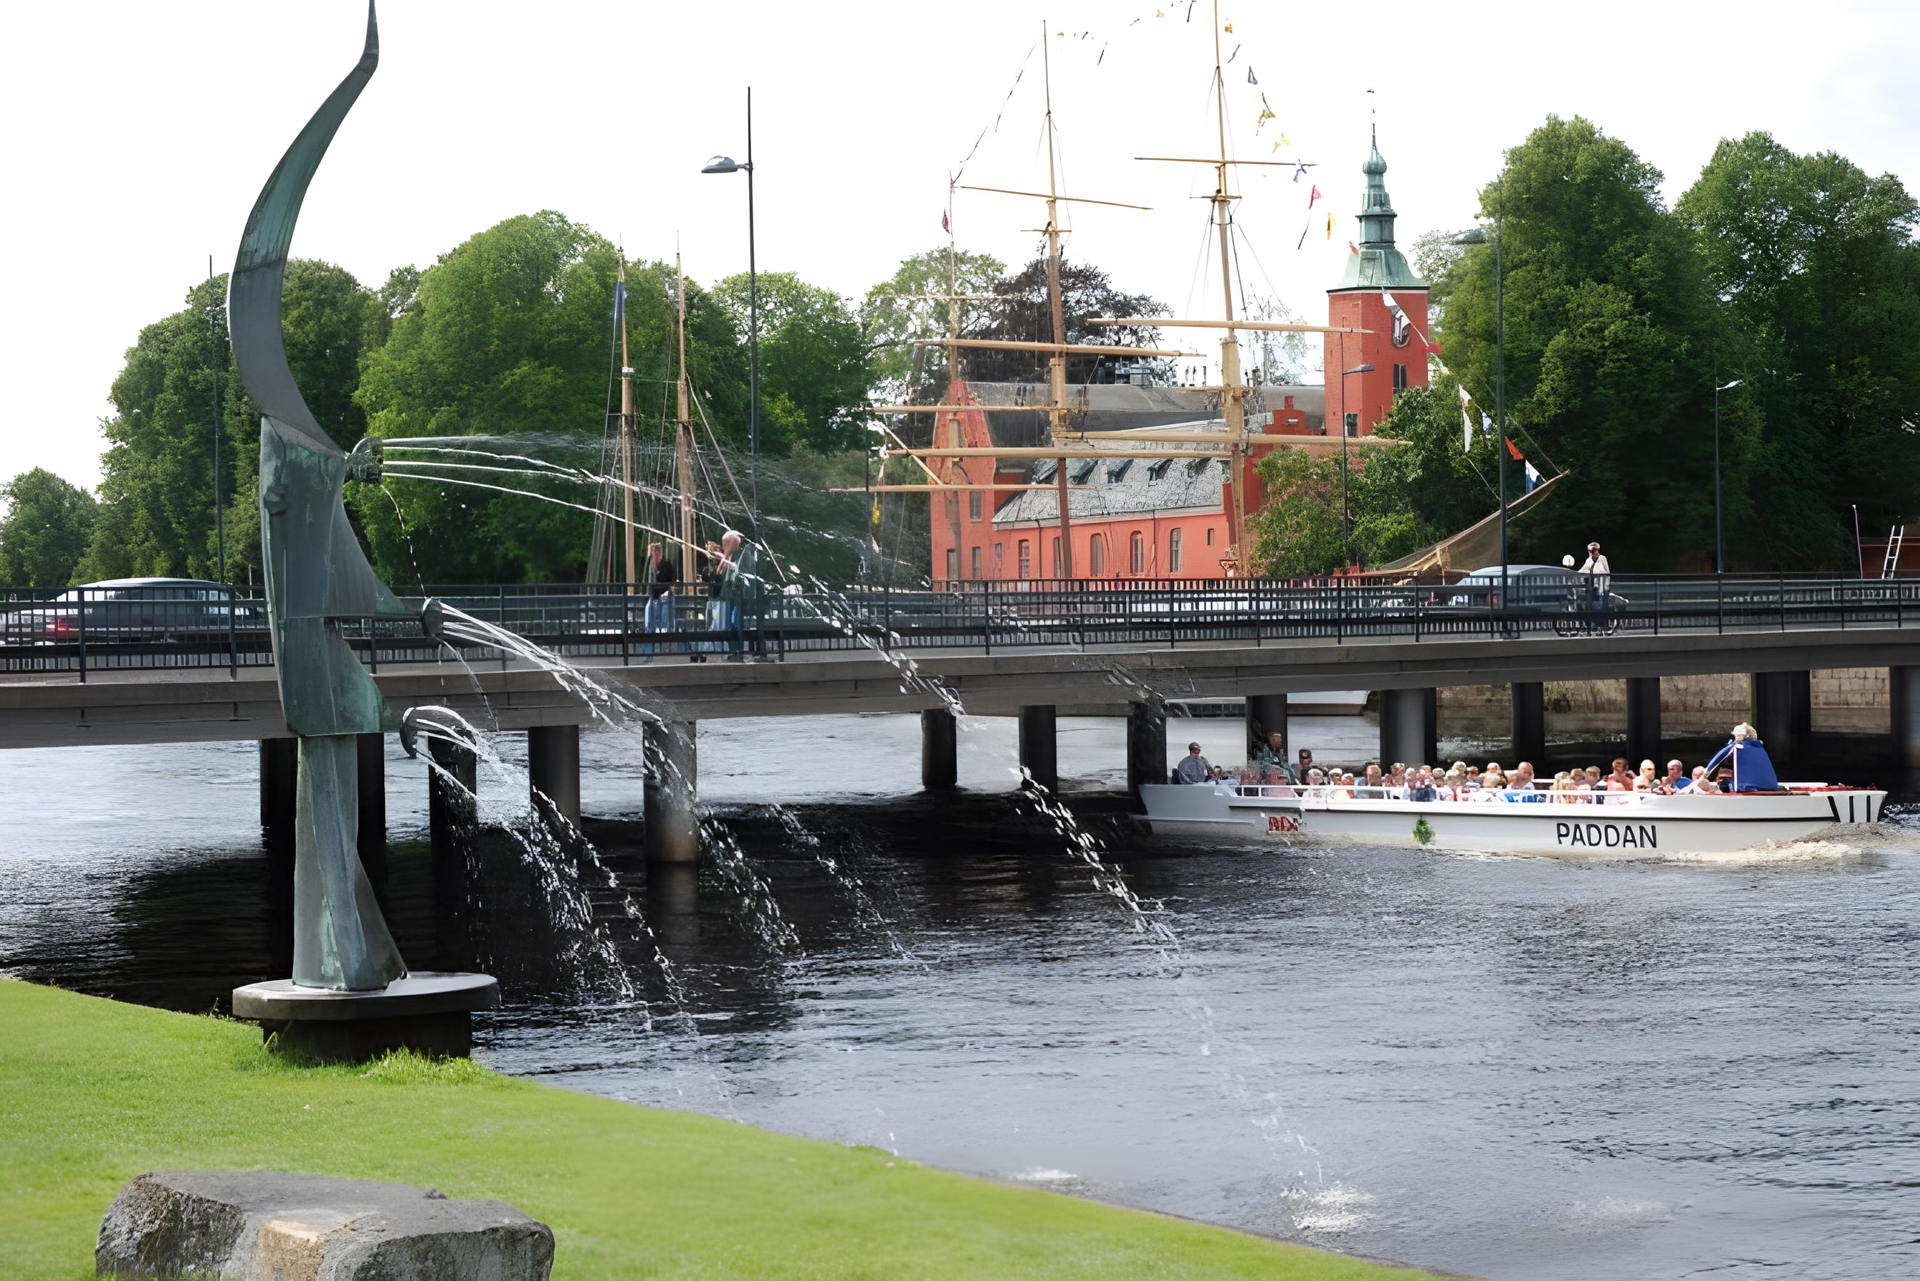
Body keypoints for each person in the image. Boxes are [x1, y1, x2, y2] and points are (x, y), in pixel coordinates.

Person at [1702, 721, 1781, 792]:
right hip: (1768, 785)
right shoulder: (1760, 746)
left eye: (1737, 735)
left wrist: (1706, 771)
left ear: (1744, 735)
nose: (1736, 737)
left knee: (1723, 784)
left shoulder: (1737, 746)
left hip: (1742, 785)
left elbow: (1719, 757)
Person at [642, 543, 676, 660]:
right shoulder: (651, 565)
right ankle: (648, 654)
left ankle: (664, 653)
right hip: (653, 597)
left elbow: (668, 581)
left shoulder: (665, 565)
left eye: (653, 552)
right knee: (648, 626)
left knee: (664, 626)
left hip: (663, 598)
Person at [1578, 541, 1612, 627]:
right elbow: (1582, 570)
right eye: (1591, 551)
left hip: (1602, 587)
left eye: (1595, 551)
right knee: (1590, 606)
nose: (1593, 553)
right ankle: (1593, 625)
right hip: (1592, 587)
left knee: (1602, 607)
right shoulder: (1588, 560)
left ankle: (1604, 626)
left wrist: (1596, 573)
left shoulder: (1602, 559)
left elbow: (1607, 572)